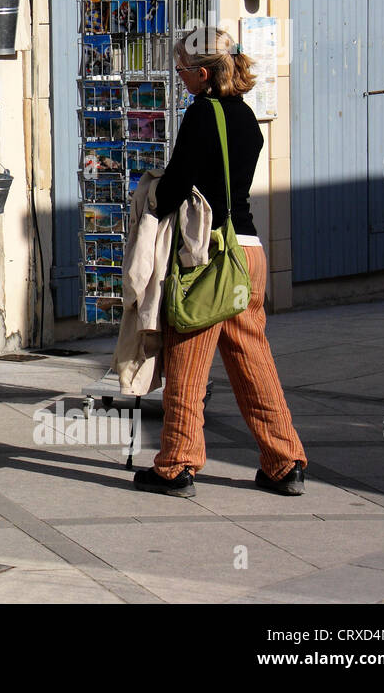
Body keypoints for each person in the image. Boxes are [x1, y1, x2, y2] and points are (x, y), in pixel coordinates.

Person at [133, 27, 308, 498]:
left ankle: (176, 465)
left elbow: (176, 190)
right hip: (249, 252)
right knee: (253, 363)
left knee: (187, 361)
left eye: (183, 72)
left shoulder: (201, 114)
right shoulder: (247, 118)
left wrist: (151, 188)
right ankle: (284, 461)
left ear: (204, 74)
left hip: (207, 256)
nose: (181, 79)